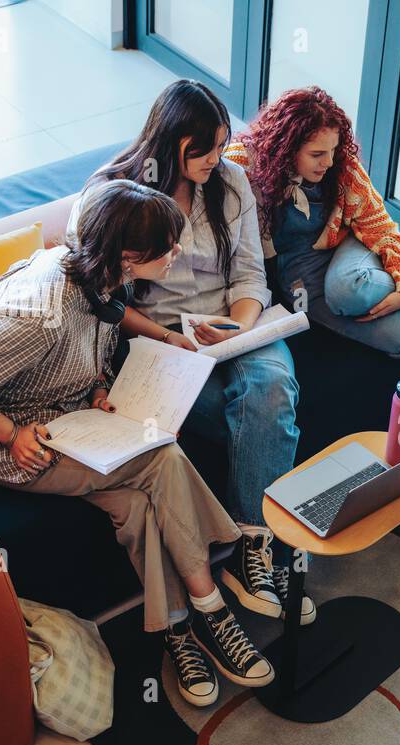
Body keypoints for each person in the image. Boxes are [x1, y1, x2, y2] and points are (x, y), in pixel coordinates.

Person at [0, 179, 274, 708]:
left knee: (136, 508)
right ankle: (212, 606)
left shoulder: (99, 277)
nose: (177, 253)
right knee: (162, 455)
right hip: (24, 446)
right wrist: (9, 433)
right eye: (169, 247)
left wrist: (100, 386)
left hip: (77, 422)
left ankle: (177, 632)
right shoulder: (41, 317)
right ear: (131, 255)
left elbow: (95, 345)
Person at [68, 79, 315, 627]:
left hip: (233, 324)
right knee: (250, 414)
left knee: (270, 389)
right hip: (159, 341)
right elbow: (97, 294)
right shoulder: (115, 193)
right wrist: (168, 339)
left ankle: (252, 547)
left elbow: (250, 273)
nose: (216, 159)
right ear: (171, 141)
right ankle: (266, 546)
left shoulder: (230, 184)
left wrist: (238, 328)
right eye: (202, 149)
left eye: (222, 145)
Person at [225, 85, 400, 359]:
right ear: (286, 147)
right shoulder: (245, 163)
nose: (328, 161)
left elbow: (385, 231)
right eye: (317, 154)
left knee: (345, 290)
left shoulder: (343, 169)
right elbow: (215, 177)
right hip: (299, 276)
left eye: (333, 150)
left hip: (347, 255)